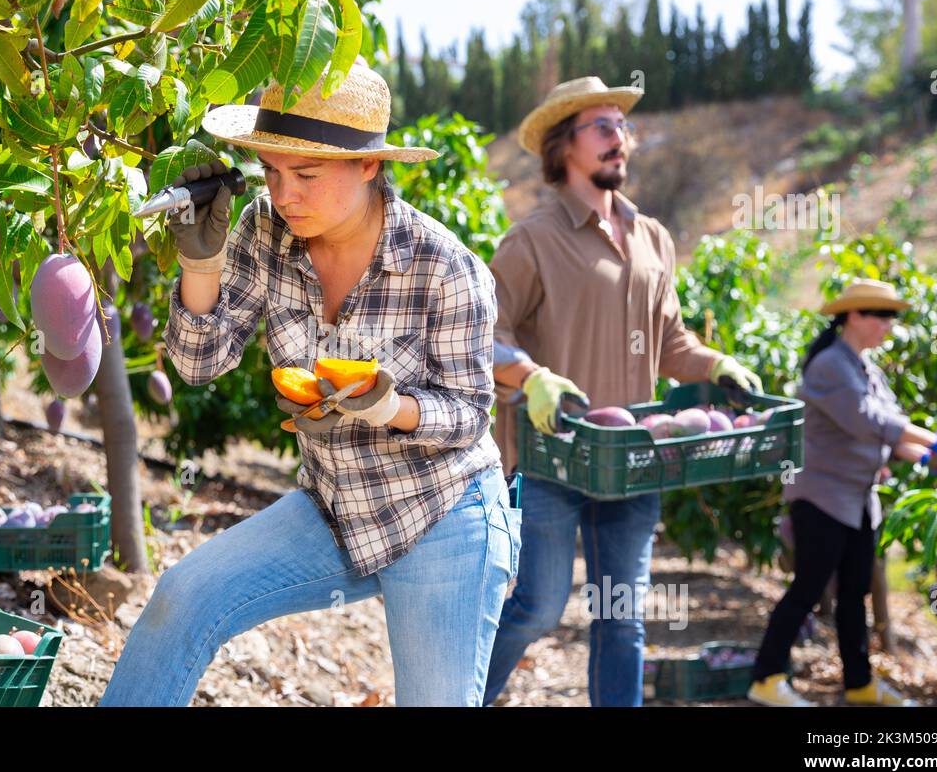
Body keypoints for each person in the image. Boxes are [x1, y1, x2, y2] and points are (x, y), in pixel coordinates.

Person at [97, 63, 521, 707]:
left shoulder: (443, 266)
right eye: (270, 171)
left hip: (442, 514)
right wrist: (199, 263)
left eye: (307, 175)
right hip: (331, 504)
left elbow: (468, 416)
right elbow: (198, 364)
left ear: (369, 167)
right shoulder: (264, 231)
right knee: (183, 596)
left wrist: (390, 407)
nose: (283, 193)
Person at [484, 76, 764, 707]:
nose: (621, 140)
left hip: (636, 458)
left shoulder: (653, 238)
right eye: (603, 127)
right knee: (535, 607)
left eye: (623, 127)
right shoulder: (533, 240)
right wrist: (531, 376)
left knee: (623, 616)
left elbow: (671, 344)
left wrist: (716, 363)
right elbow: (484, 335)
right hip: (551, 457)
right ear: (565, 147)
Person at [747, 279, 937, 706]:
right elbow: (867, 420)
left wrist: (926, 457)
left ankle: (860, 684)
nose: (890, 326)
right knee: (808, 588)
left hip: (857, 498)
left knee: (854, 594)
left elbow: (889, 430)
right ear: (854, 316)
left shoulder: (865, 368)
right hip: (821, 496)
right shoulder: (831, 365)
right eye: (883, 316)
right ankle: (766, 677)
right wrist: (935, 441)